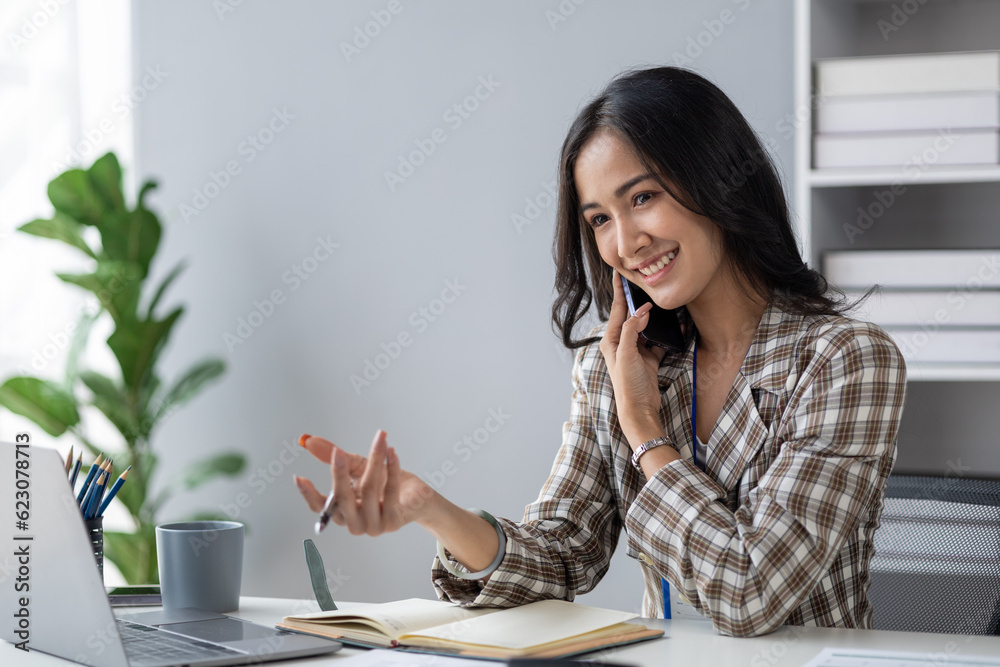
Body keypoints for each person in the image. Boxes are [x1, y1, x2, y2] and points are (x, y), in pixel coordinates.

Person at [293, 66, 907, 638]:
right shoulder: (617, 363)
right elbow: (562, 556)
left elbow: (752, 592)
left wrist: (643, 431)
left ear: (718, 179)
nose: (625, 243)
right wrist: (432, 510)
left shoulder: (844, 360)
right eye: (598, 219)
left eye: (642, 198)